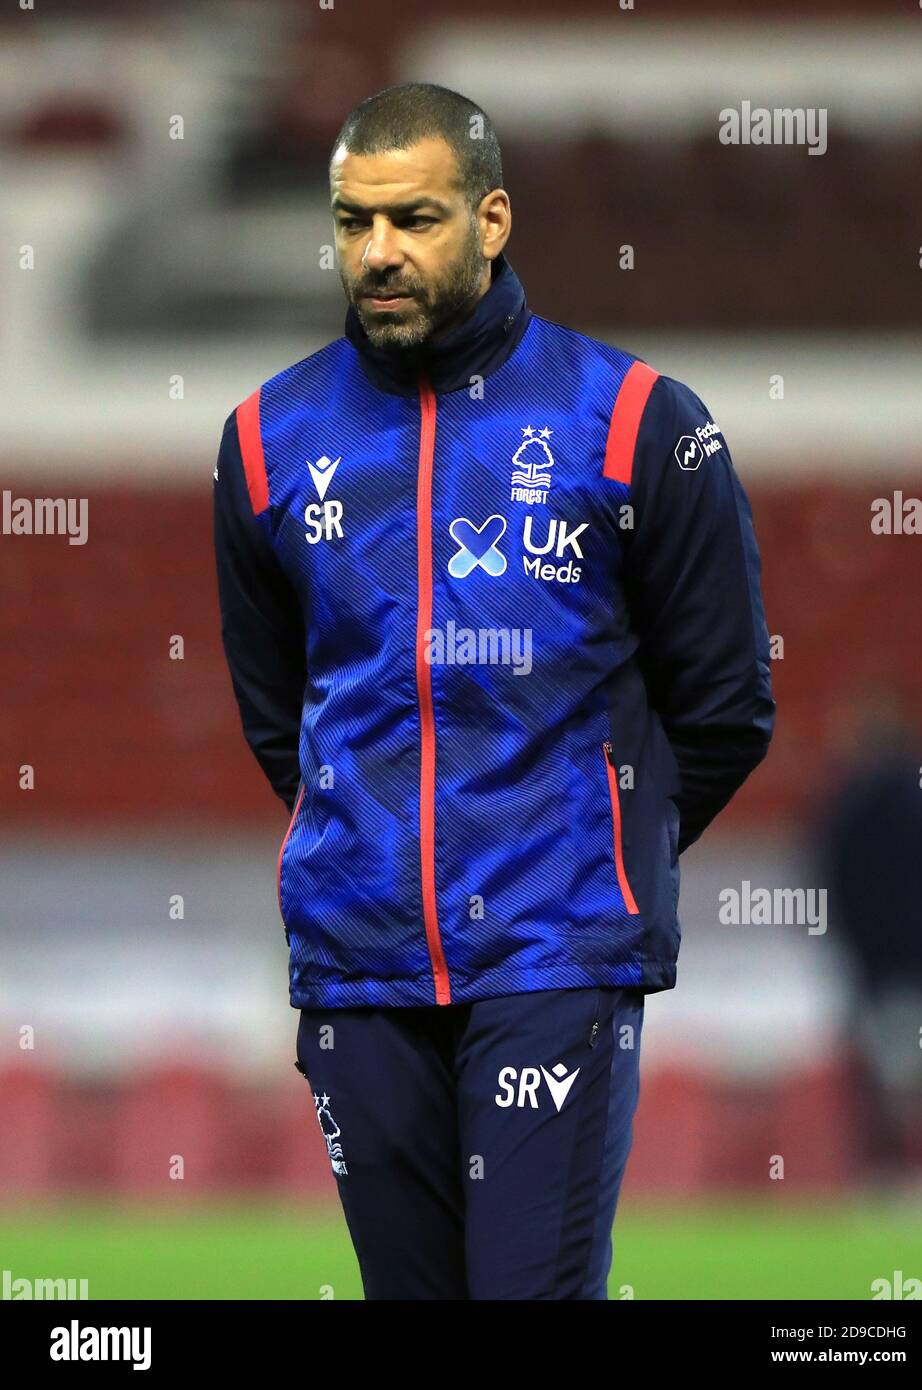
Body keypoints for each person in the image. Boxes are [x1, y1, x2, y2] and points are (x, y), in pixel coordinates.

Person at [213, 82, 775, 1299]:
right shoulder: (263, 439)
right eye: (353, 222)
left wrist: (590, 857)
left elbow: (724, 708)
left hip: (550, 958)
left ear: (493, 218)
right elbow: (283, 720)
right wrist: (376, 842)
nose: (377, 254)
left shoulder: (633, 422)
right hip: (358, 969)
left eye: (413, 219)